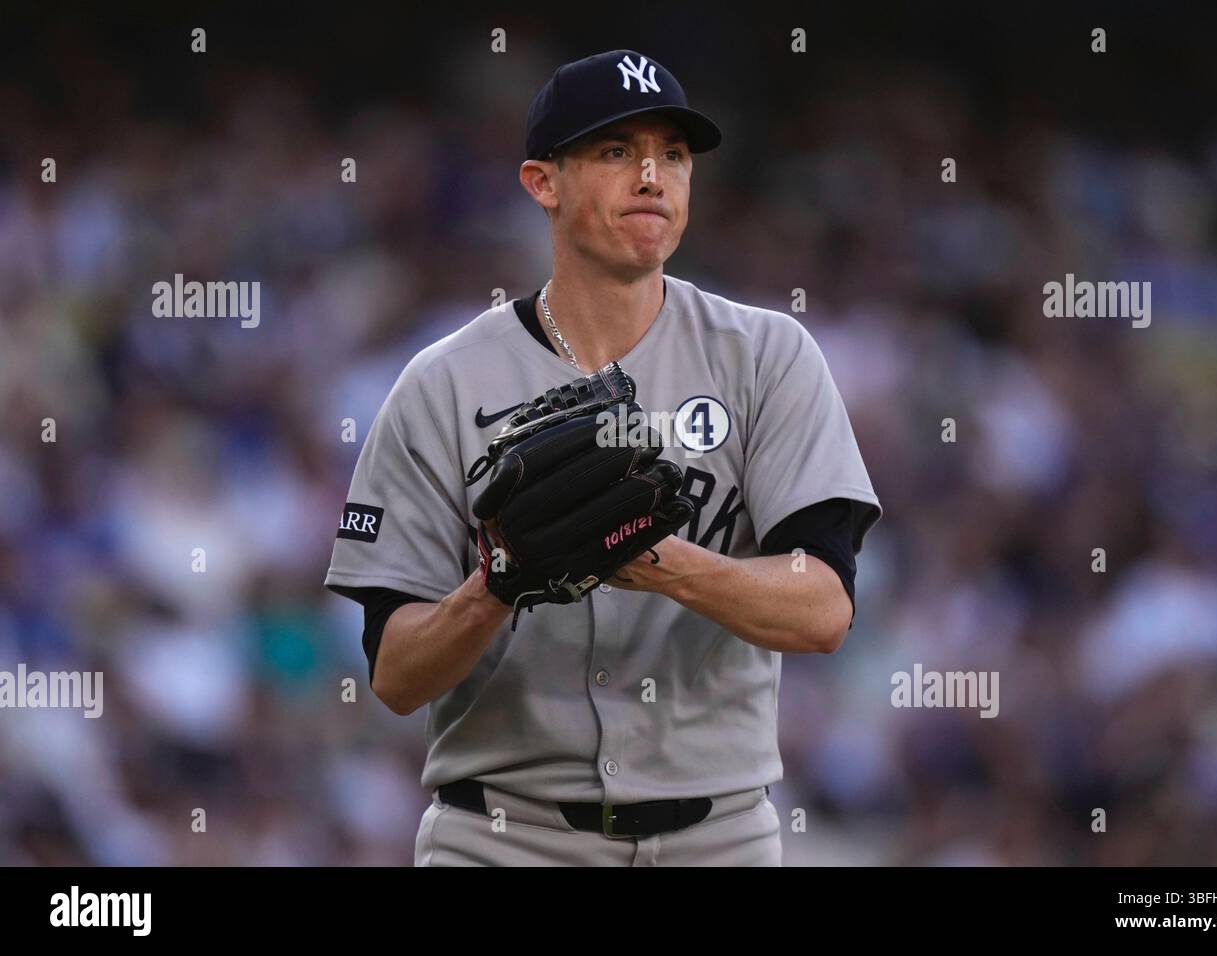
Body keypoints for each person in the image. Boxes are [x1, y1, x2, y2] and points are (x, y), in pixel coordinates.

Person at [324, 49, 882, 866]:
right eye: (616, 152)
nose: (652, 175)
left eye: (674, 155)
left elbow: (825, 607)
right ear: (543, 182)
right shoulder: (441, 384)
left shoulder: (769, 357)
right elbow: (397, 676)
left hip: (719, 838)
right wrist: (497, 587)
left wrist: (657, 563)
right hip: (504, 839)